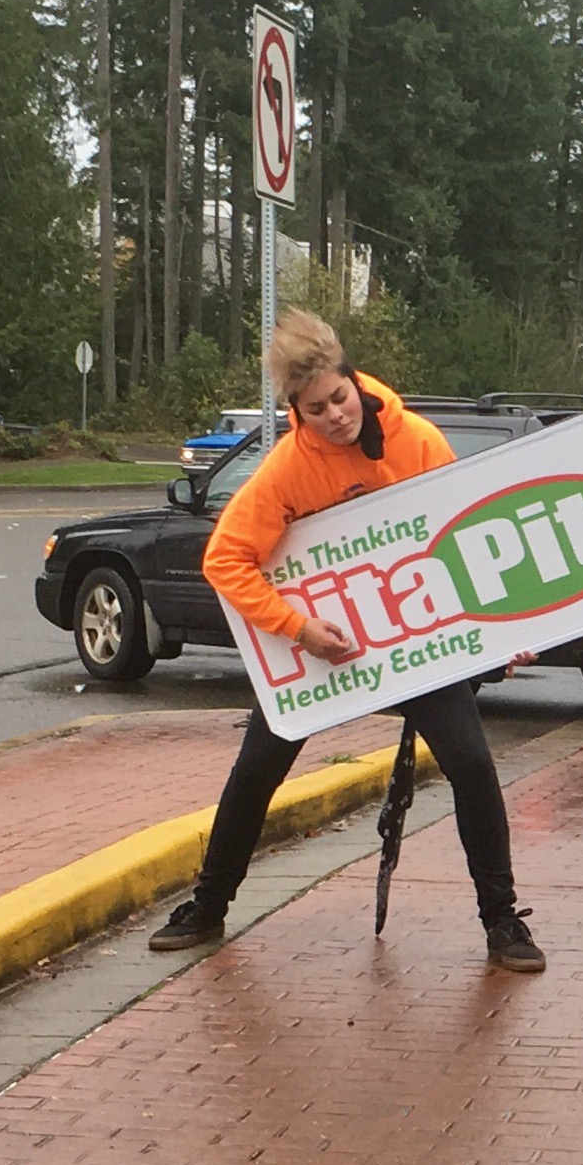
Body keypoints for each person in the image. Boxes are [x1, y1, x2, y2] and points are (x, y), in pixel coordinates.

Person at [148, 308, 545, 973]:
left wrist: (501, 635)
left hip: (416, 641)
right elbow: (225, 559)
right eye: (315, 409)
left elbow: (463, 543)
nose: (335, 415)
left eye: (339, 396)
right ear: (294, 412)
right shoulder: (286, 471)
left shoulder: (414, 439)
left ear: (352, 379)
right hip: (318, 647)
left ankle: (502, 920)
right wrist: (297, 627)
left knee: (472, 765)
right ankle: (208, 906)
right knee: (256, 770)